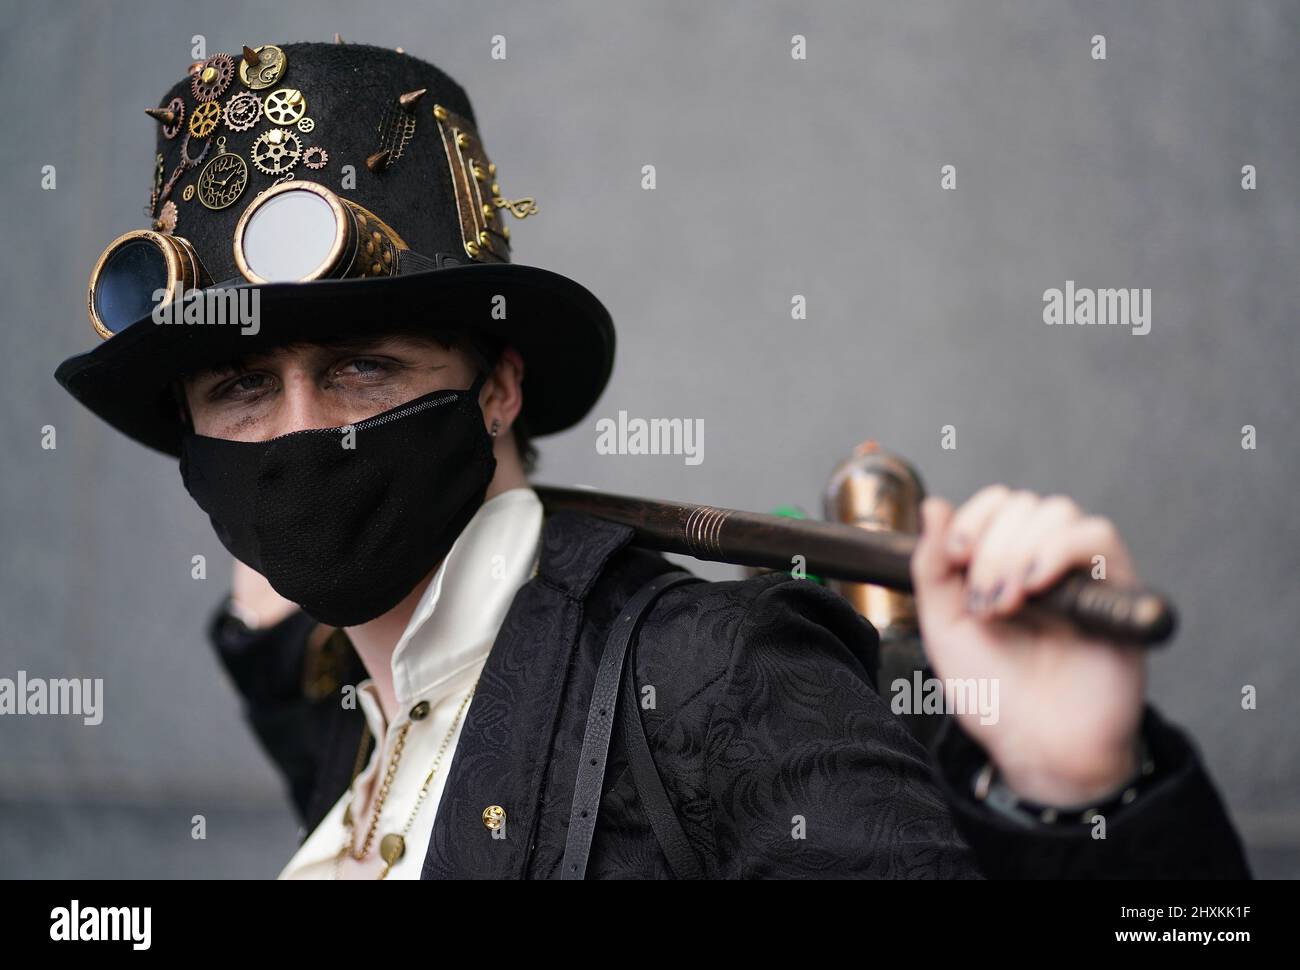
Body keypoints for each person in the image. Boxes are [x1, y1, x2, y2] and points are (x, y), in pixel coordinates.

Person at [56, 40, 1250, 879]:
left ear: (500, 383)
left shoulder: (707, 671)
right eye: (244, 388)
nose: (305, 429)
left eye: (362, 367)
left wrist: (1083, 797)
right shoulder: (363, 723)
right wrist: (269, 619)